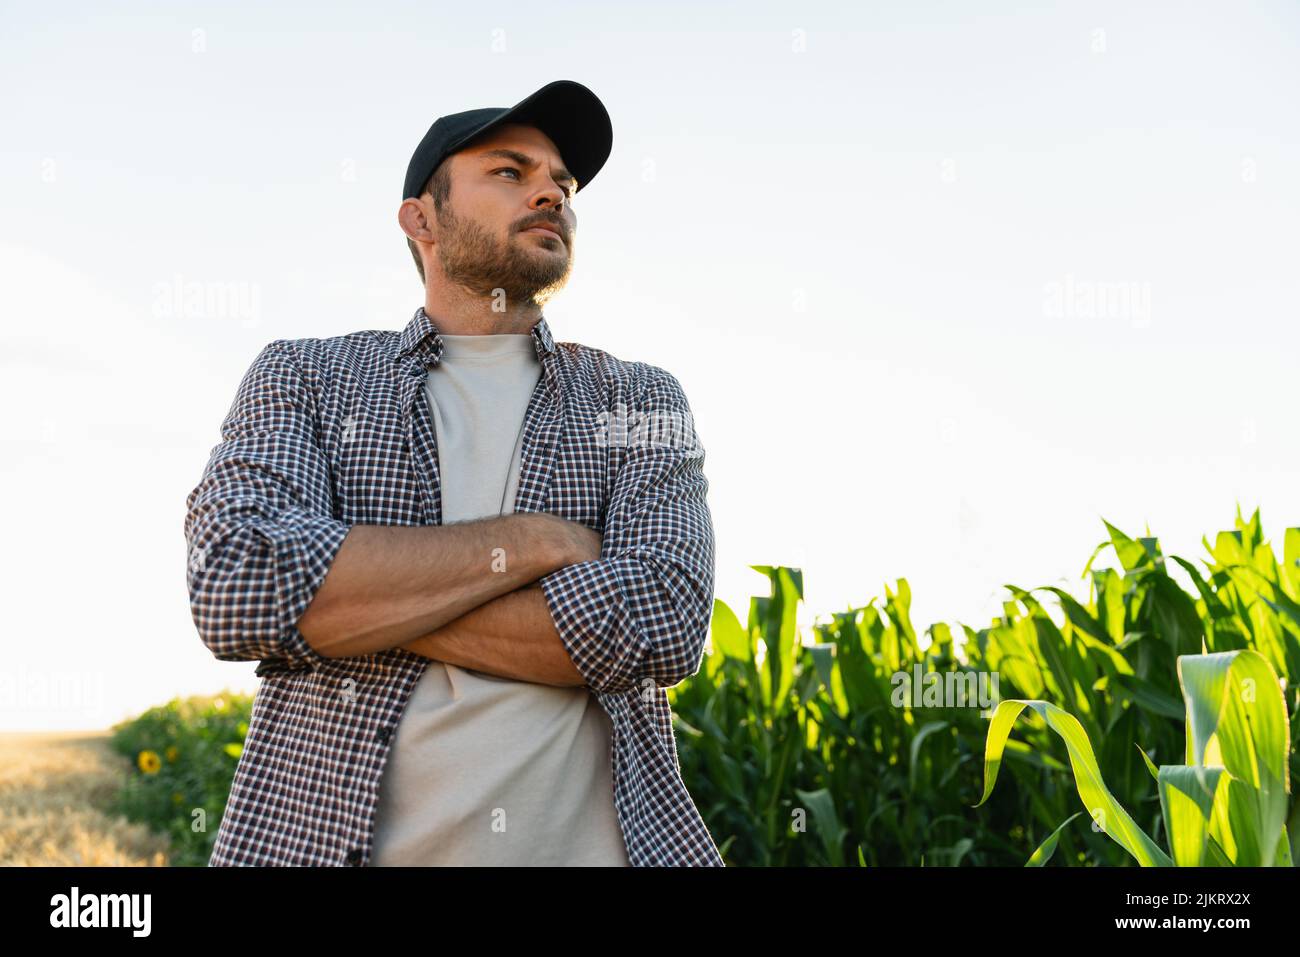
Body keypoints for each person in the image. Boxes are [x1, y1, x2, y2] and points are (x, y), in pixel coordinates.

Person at [183, 80, 722, 866]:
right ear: (421, 218)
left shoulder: (638, 396)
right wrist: (536, 541)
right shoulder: (307, 376)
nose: (551, 191)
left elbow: (664, 620)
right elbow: (237, 580)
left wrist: (350, 606)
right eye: (510, 172)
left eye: (563, 184)